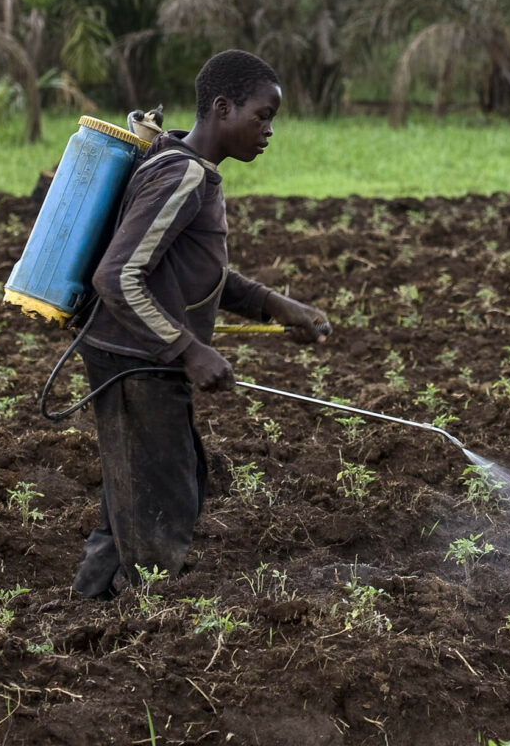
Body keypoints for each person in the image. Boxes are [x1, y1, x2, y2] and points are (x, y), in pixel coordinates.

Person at [72, 49, 331, 600]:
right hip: (137, 364)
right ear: (222, 107)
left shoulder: (185, 166)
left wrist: (274, 303)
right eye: (261, 116)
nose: (268, 132)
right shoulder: (183, 175)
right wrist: (190, 350)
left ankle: (89, 613)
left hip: (130, 354)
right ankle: (144, 627)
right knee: (162, 502)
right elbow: (117, 277)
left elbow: (191, 270)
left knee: (136, 495)